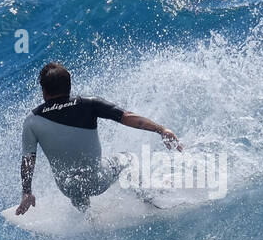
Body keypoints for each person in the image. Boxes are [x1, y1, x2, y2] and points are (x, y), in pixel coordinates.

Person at [17, 62, 181, 214]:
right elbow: (127, 117)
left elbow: (28, 160)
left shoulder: (32, 120)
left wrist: (26, 192)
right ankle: (151, 202)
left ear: (44, 91)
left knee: (71, 183)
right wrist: (161, 130)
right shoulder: (89, 104)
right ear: (69, 86)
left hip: (68, 188)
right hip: (97, 180)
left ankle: (89, 217)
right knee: (128, 159)